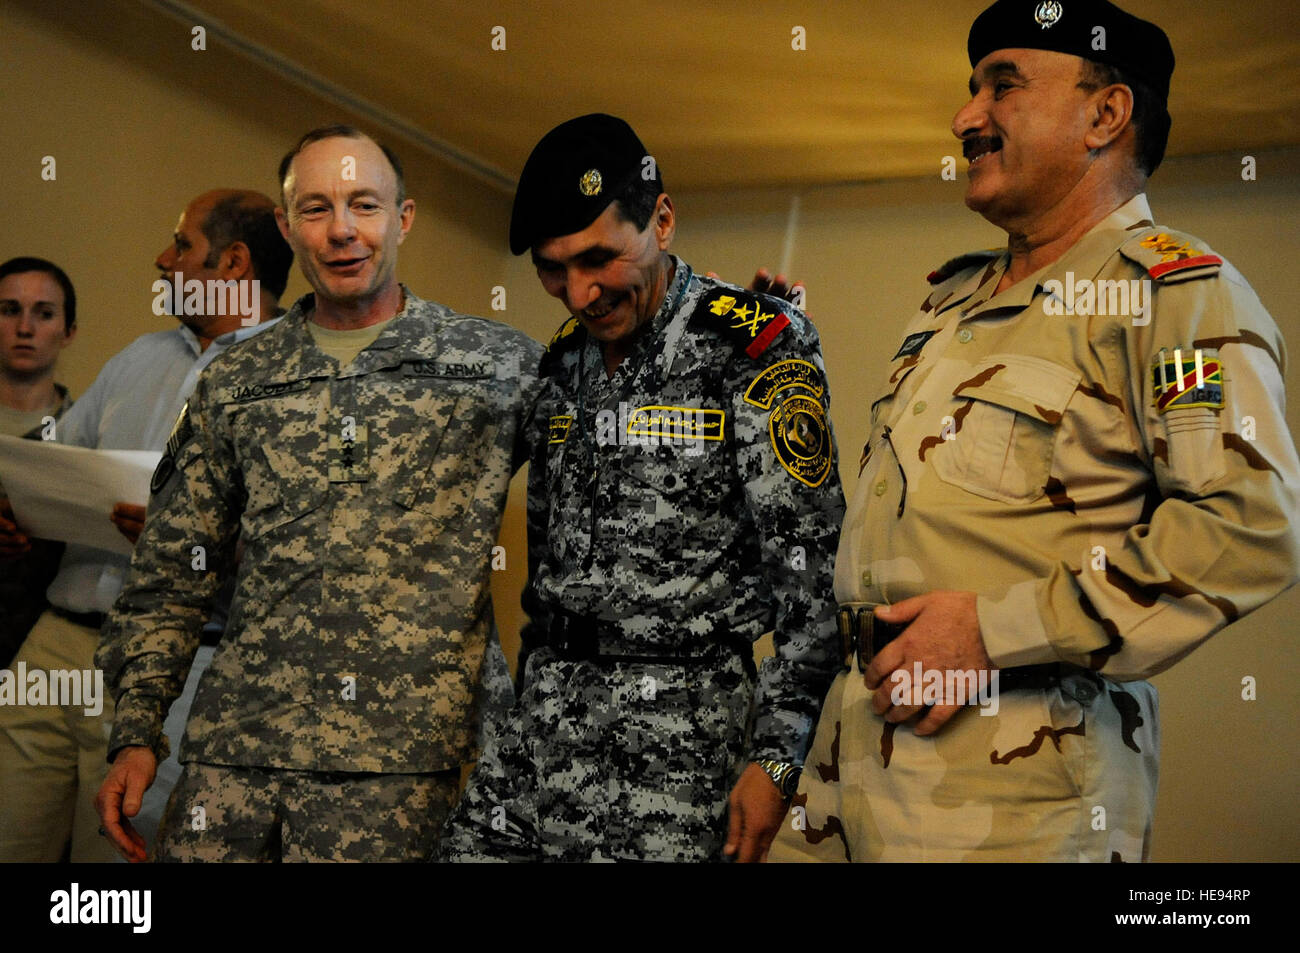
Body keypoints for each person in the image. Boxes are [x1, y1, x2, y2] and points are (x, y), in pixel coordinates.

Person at [769, 0, 1300, 863]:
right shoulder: (952, 297)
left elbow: (1248, 526)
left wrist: (992, 630)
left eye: (1001, 86)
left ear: (1105, 114)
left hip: (1013, 799)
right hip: (847, 763)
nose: (964, 117)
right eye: (971, 89)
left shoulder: (1174, 294)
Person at [94, 124, 543, 862]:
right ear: (285, 226)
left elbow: (620, 432)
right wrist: (137, 731)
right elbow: (172, 571)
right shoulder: (236, 379)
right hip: (235, 759)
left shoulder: (493, 367)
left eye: (364, 205)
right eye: (315, 208)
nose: (341, 231)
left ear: (402, 218)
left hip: (396, 776)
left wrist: (742, 331)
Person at [438, 114, 845, 863]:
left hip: (681, 746)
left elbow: (811, 587)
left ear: (661, 218)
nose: (581, 292)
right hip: (542, 729)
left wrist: (779, 760)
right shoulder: (561, 366)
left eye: (599, 258)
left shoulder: (751, 345)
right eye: (554, 269)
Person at [0, 192, 290, 862]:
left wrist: (190, 538)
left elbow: (301, 553)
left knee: (112, 866)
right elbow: (55, 466)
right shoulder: (137, 356)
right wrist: (19, 514)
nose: (164, 260)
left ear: (234, 262)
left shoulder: (292, 379)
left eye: (182, 245)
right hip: (56, 637)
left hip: (175, 665)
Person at [0, 257, 78, 670]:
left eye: (44, 314)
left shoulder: (83, 437)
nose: (25, 328)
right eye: (9, 310)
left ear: (68, 332)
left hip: (44, 652)